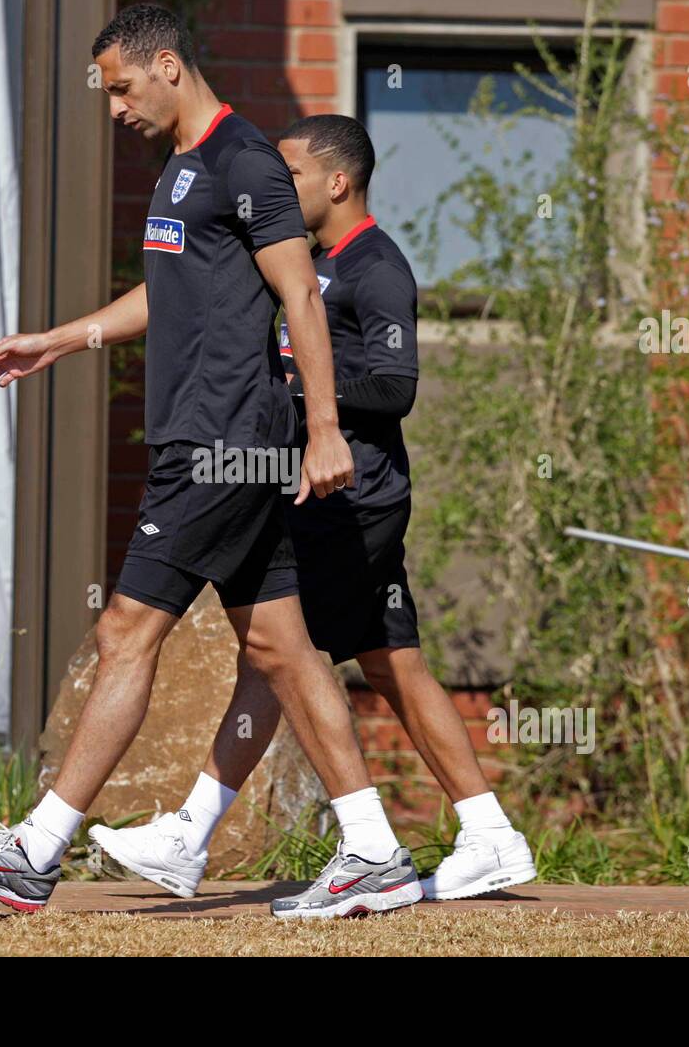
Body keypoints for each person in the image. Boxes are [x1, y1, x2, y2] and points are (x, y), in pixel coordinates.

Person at [0, 6, 422, 920]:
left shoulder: (246, 163)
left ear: (167, 67)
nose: (113, 107)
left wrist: (323, 428)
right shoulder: (184, 171)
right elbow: (169, 291)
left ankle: (34, 850)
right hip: (213, 439)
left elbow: (301, 293)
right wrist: (60, 340)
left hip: (223, 442)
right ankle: (376, 849)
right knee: (278, 644)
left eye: (120, 87)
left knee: (124, 631)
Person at [89, 115, 537, 902]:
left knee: (274, 655)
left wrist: (292, 395)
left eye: (290, 175)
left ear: (337, 182)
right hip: (335, 492)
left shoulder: (375, 266)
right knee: (390, 660)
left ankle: (195, 833)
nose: (276, 189)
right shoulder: (311, 261)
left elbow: (397, 386)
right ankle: (490, 834)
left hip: (351, 495)